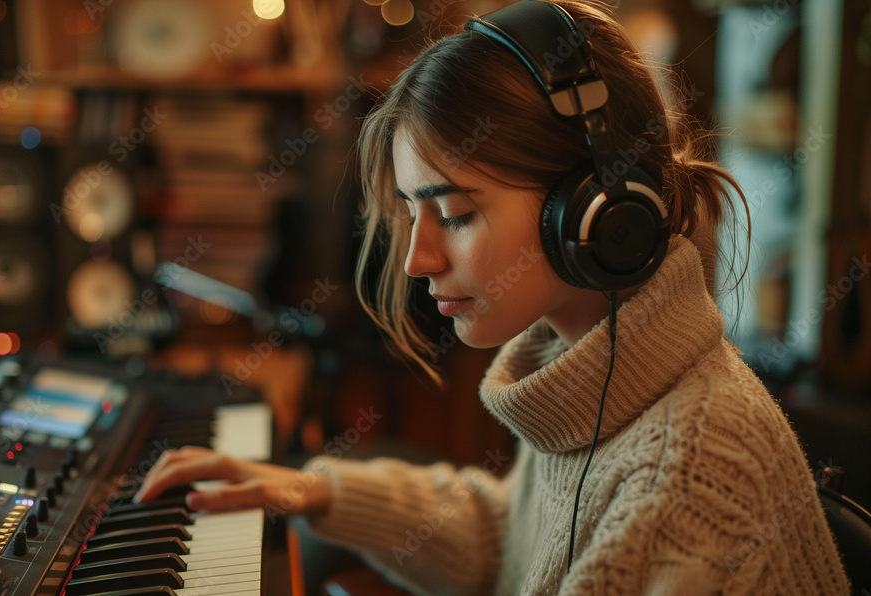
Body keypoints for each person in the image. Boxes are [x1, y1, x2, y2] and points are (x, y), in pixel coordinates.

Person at [135, 0, 848, 593]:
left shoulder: (686, 482)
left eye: (456, 213)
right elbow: (511, 540)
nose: (418, 259)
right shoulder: (596, 366)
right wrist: (316, 491)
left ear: (593, 213)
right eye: (414, 214)